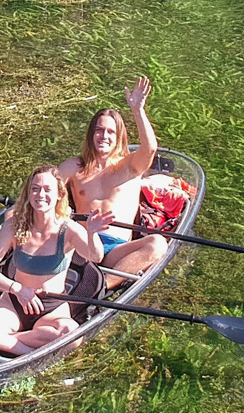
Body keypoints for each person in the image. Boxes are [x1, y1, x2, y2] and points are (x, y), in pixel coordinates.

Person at [0, 166, 106, 354]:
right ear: (28, 193)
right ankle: (23, 351)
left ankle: (0, 340)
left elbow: (95, 257)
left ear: (59, 195)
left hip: (51, 309)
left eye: (48, 190)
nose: (41, 194)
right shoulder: (14, 226)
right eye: (35, 188)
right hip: (14, 304)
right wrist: (17, 289)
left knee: (72, 335)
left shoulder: (69, 229)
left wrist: (91, 233)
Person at [57, 74, 168, 278]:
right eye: (99, 130)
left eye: (110, 132)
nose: (104, 136)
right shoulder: (74, 166)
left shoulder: (130, 166)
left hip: (115, 249)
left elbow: (150, 148)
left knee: (157, 244)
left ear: (119, 138)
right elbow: (46, 189)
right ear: (91, 134)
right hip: (82, 244)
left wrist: (138, 110)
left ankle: (100, 287)